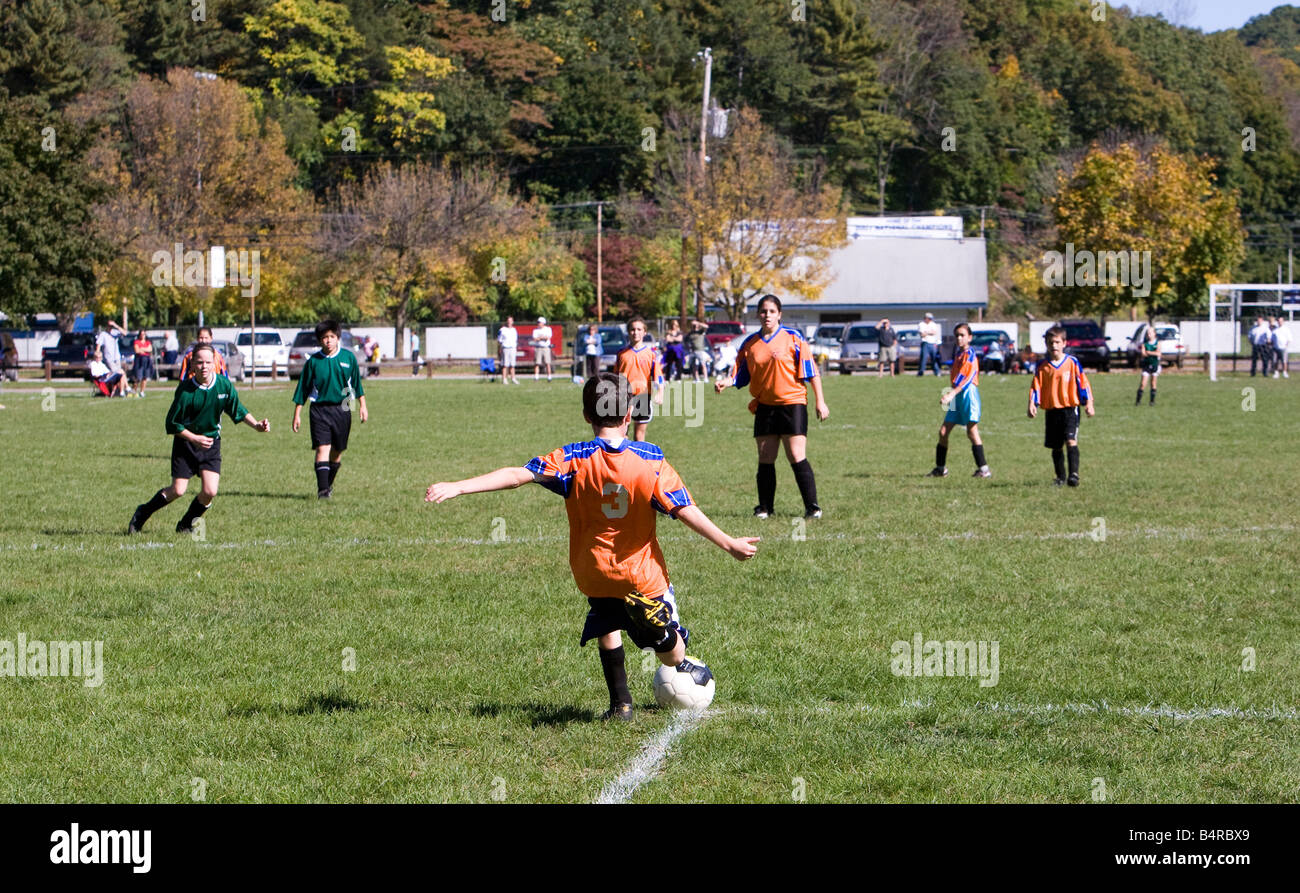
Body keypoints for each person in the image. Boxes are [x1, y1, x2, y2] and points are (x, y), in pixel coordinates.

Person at [424, 371, 758, 720]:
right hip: (641, 576)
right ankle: (658, 633)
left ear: (587, 415)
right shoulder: (651, 458)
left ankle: (621, 705)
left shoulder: (572, 457)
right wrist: (728, 543)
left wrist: (460, 486)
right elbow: (684, 510)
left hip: (593, 571)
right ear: (629, 414)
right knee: (675, 656)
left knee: (606, 625)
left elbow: (515, 477)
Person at [127, 344, 270, 534]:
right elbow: (172, 424)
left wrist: (257, 425)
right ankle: (142, 513)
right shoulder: (185, 390)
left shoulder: (223, 385)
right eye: (200, 362)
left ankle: (186, 524)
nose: (204, 366)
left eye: (208, 362)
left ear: (215, 363)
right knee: (178, 490)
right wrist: (194, 438)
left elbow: (238, 410)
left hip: (211, 445)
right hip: (186, 444)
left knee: (210, 491)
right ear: (192, 364)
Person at [715, 294, 829, 519]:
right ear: (758, 314)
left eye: (772, 311)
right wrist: (725, 383)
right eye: (763, 311)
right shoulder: (750, 344)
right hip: (764, 407)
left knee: (796, 455)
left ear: (779, 314)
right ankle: (765, 508)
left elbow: (811, 372)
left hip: (792, 404)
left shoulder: (793, 338)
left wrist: (820, 401)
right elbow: (739, 375)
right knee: (765, 458)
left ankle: (812, 507)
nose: (767, 315)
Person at [292, 319, 368, 499]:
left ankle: (328, 483)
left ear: (338, 338)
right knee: (322, 449)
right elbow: (303, 389)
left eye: (332, 337)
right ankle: (323, 491)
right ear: (319, 340)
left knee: (337, 452)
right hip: (319, 409)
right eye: (324, 337)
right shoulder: (314, 362)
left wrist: (363, 406)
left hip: (343, 408)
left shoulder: (348, 358)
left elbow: (356, 384)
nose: (328, 341)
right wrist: (297, 414)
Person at [1028, 325, 1095, 487]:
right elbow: (1036, 386)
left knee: (1071, 440)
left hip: (1070, 409)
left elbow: (1083, 384)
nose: (1054, 345)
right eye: (1051, 342)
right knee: (1056, 446)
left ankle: (1074, 475)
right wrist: (1032, 403)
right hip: (1051, 410)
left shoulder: (1072, 363)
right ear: (1046, 344)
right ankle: (1060, 477)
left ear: (1064, 343)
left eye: (1057, 342)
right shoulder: (1043, 366)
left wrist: (1089, 403)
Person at [928, 323, 990, 478]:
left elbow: (967, 379)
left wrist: (950, 394)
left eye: (962, 335)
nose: (959, 338)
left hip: (967, 395)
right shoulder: (959, 354)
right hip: (956, 394)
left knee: (971, 431)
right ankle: (940, 469)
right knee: (943, 431)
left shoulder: (970, 354)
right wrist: (950, 393)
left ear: (969, 337)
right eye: (957, 335)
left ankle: (984, 470)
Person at [614, 317, 664, 442]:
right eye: (632, 329)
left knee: (639, 437)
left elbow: (658, 376)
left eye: (639, 329)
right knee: (621, 435)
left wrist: (660, 393)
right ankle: (622, 461)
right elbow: (614, 377)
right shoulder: (621, 354)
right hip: (624, 396)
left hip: (642, 397)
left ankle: (637, 461)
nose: (635, 332)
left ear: (644, 332)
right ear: (628, 332)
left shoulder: (651, 354)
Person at [1136, 321, 1159, 405]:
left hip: (1155, 365)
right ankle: (1138, 401)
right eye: (1148, 333)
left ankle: (1152, 401)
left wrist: (1149, 352)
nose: (1149, 334)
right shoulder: (1145, 344)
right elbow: (1143, 354)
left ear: (1154, 334)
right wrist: (1151, 352)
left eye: (1150, 333)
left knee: (1153, 383)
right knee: (1143, 383)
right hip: (1146, 365)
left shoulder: (1158, 343)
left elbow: (1159, 353)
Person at [917, 312, 942, 376]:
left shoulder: (933, 324)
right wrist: (929, 332)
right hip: (925, 343)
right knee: (923, 358)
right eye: (929, 318)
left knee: (934, 358)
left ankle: (937, 372)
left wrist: (926, 332)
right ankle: (921, 372)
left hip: (932, 343)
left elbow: (934, 332)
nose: (930, 320)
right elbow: (922, 334)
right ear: (926, 318)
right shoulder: (921, 324)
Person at [132, 330, 155, 398]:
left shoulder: (148, 342)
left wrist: (142, 348)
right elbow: (137, 350)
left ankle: (142, 391)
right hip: (139, 360)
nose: (142, 335)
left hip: (147, 360)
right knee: (138, 377)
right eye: (141, 334)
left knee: (145, 377)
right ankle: (134, 390)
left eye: (144, 334)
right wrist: (145, 350)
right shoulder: (136, 342)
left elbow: (150, 349)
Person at [497, 316, 519, 385]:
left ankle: (513, 378)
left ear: (513, 322)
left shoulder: (514, 330)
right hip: (505, 348)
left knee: (512, 364)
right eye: (508, 321)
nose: (509, 322)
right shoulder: (502, 329)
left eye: (511, 321)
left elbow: (515, 339)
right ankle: (504, 379)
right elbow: (499, 339)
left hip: (512, 348)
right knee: (505, 364)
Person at [533, 316, 554, 382]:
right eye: (538, 322)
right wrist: (542, 338)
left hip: (546, 347)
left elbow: (548, 337)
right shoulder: (535, 330)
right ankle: (536, 377)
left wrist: (540, 338)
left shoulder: (548, 329)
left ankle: (549, 377)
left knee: (547, 363)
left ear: (543, 323)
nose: (538, 323)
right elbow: (535, 339)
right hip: (538, 347)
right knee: (537, 363)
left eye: (539, 322)